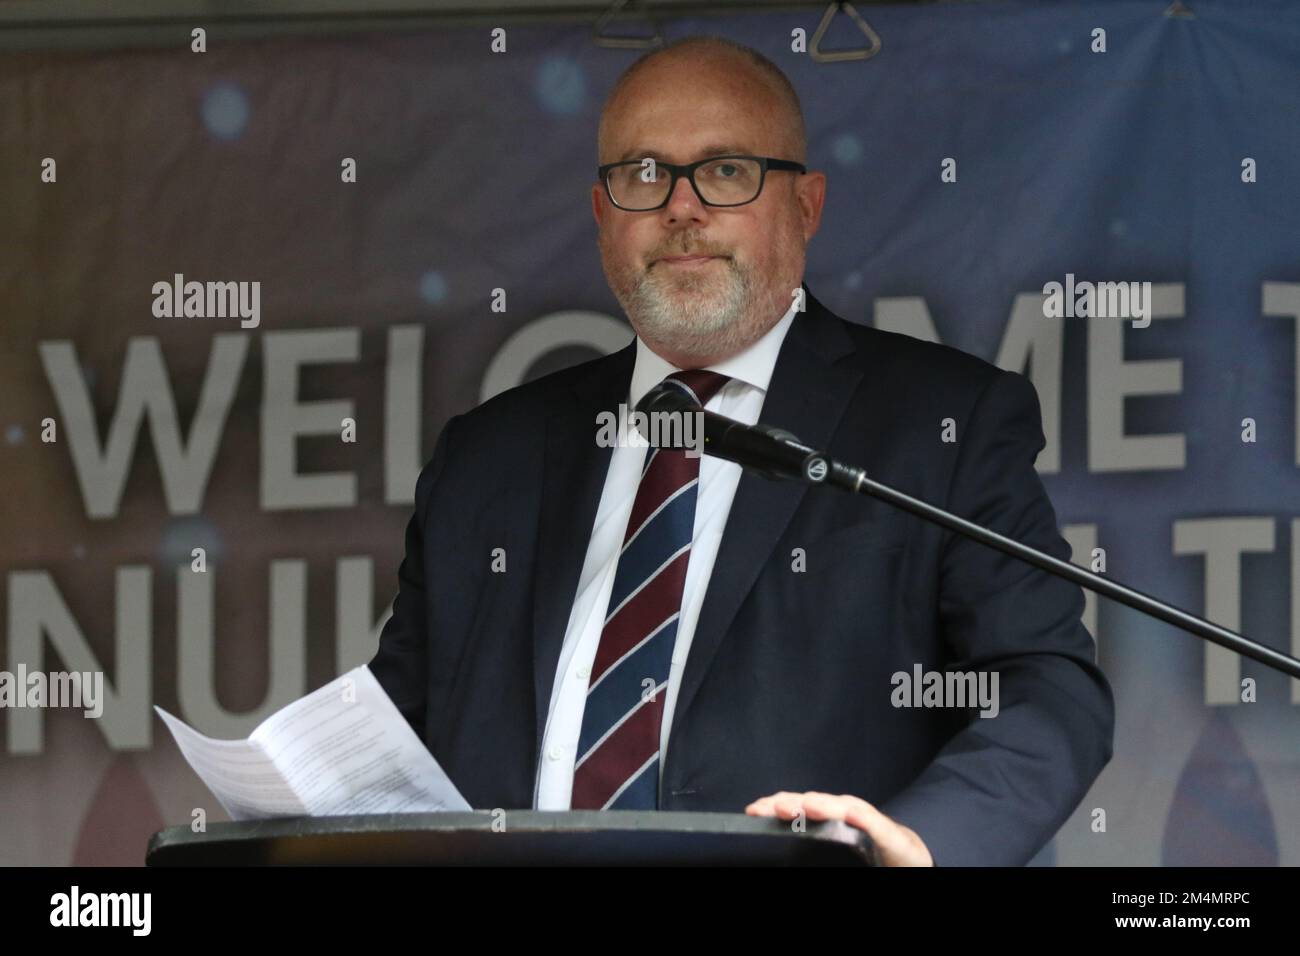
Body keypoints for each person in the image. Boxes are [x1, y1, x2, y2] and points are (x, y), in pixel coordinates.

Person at [368, 35, 1114, 867]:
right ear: (602, 212)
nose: (680, 207)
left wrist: (921, 846)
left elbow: (1049, 691)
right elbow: (393, 743)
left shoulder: (942, 421)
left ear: (806, 205)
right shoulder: (487, 458)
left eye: (726, 171)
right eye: (643, 174)